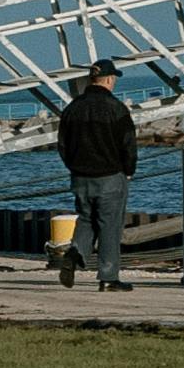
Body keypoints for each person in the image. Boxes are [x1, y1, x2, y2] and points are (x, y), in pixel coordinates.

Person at [56, 59, 138, 291]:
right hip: (110, 176)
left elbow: (62, 145)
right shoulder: (116, 108)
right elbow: (128, 144)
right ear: (110, 80)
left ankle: (75, 252)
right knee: (109, 227)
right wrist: (129, 170)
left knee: (85, 218)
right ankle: (108, 278)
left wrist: (74, 166)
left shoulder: (72, 108)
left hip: (80, 176)